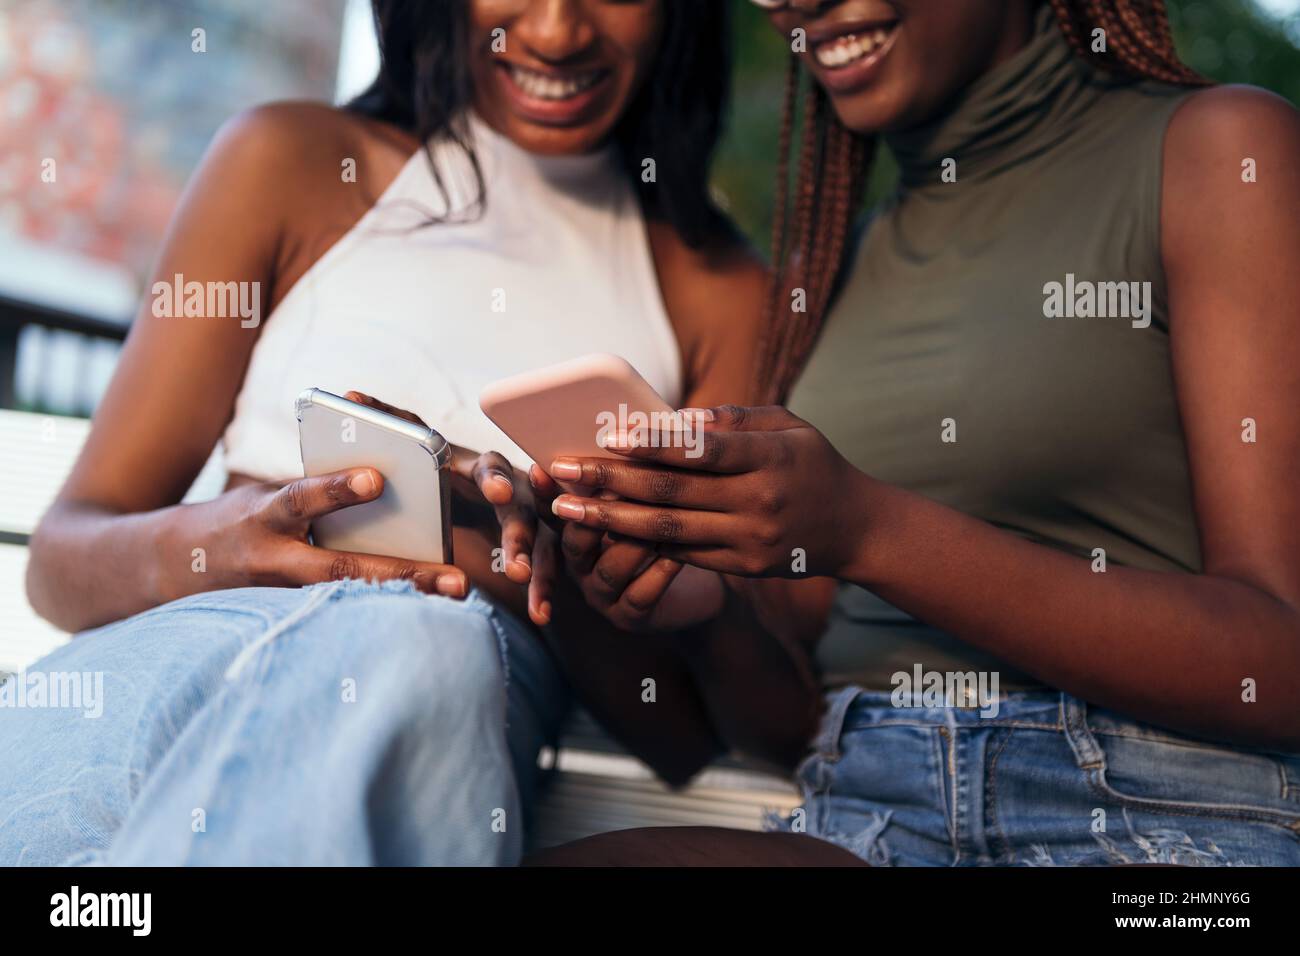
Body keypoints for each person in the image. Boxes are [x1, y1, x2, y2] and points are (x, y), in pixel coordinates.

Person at [1, 0, 770, 866]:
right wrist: (238, 539)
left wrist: (538, 550)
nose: (557, 32)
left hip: (435, 700)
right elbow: (59, 563)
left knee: (420, 641)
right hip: (166, 669)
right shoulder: (290, 161)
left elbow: (685, 735)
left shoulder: (718, 291)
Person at [539, 0, 1300, 866]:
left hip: (1160, 823)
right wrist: (701, 610)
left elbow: (1280, 666)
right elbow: (795, 730)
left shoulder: (1223, 152)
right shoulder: (831, 268)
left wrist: (869, 530)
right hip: (875, 815)